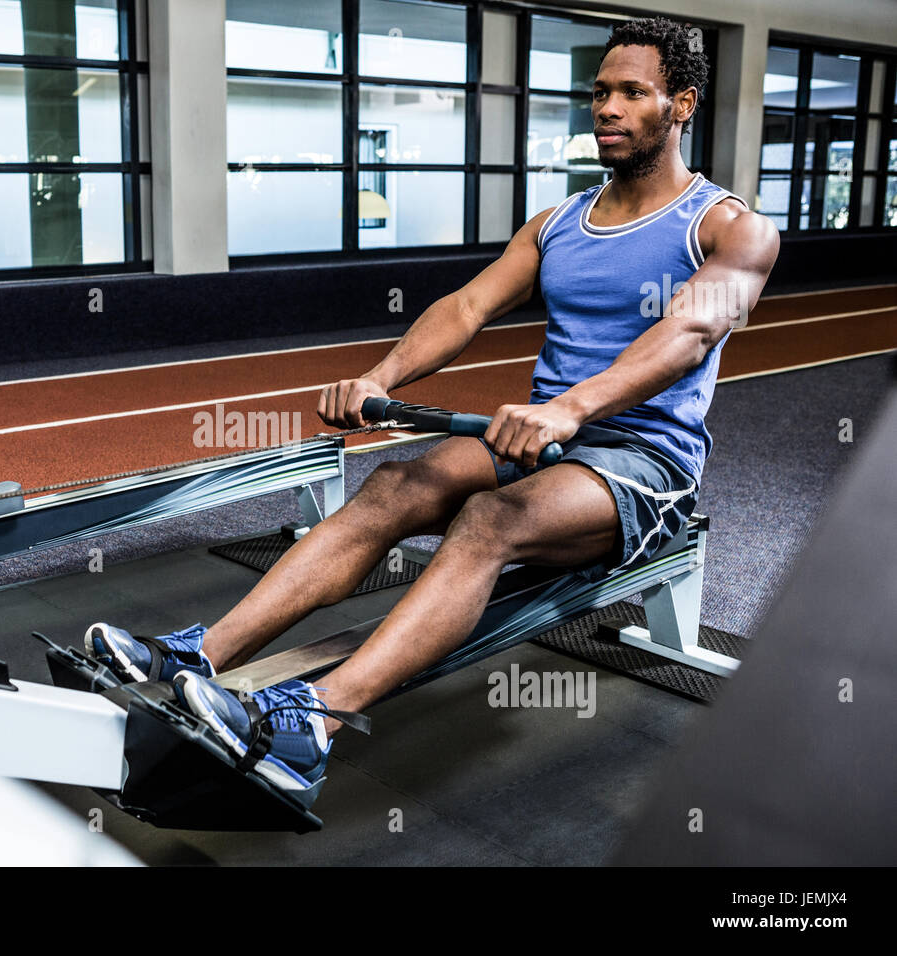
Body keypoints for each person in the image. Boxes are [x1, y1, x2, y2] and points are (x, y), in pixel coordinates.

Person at [87, 16, 780, 806]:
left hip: (640, 462)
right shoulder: (560, 222)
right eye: (599, 92)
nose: (608, 109)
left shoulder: (734, 228)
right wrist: (375, 378)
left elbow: (689, 332)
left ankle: (312, 724)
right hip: (537, 440)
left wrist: (572, 409)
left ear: (680, 104)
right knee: (393, 487)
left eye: (632, 93)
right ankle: (195, 655)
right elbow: (467, 305)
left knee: (490, 519)